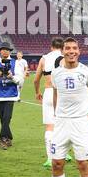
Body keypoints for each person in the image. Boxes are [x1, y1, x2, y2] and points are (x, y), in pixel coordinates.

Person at [44, 37, 88, 177]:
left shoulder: (87, 72)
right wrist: (55, 114)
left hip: (80, 123)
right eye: (68, 48)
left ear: (79, 51)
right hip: (61, 123)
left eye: (74, 48)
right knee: (56, 163)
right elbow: (55, 94)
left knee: (83, 163)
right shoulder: (56, 73)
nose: (71, 51)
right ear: (63, 51)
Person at [33, 37, 66, 169]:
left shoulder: (44, 58)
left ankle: (49, 157)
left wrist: (37, 92)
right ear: (63, 47)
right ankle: (63, 153)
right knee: (62, 124)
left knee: (49, 127)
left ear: (51, 47)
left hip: (48, 92)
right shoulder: (64, 59)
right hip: (62, 94)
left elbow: (36, 80)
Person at [0, 44, 23, 148]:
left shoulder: (15, 63)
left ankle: (2, 139)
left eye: (7, 50)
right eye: (3, 50)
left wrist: (11, 77)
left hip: (10, 94)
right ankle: (8, 137)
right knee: (2, 118)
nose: (5, 52)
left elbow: (20, 81)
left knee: (7, 117)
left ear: (9, 51)